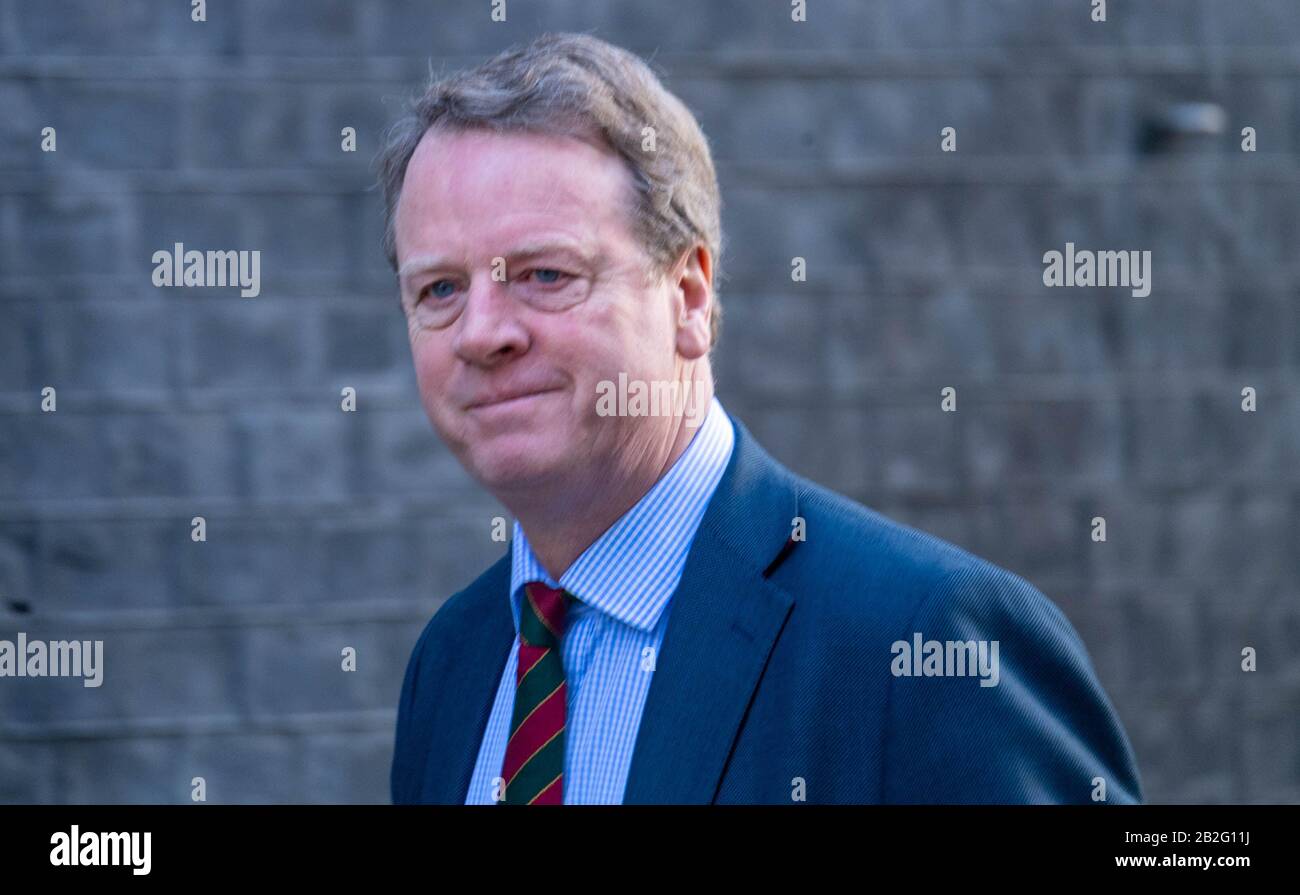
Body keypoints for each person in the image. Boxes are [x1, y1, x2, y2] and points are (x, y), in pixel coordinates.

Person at [379, 32, 1142, 805]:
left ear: (691, 298)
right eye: (439, 289)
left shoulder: (923, 641)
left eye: (546, 274)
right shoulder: (452, 661)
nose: (481, 332)